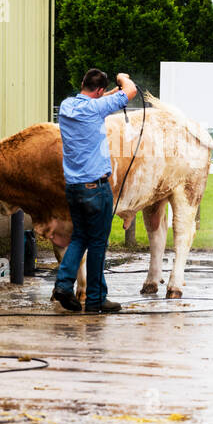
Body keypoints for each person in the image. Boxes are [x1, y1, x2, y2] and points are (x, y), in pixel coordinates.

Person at [51, 68, 138, 314]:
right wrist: (123, 77)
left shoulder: (67, 106)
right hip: (96, 189)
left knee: (80, 237)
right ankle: (96, 300)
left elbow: (98, 99)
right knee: (98, 243)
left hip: (74, 188)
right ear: (99, 91)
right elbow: (130, 90)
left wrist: (109, 93)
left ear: (83, 84)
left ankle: (63, 285)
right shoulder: (97, 108)